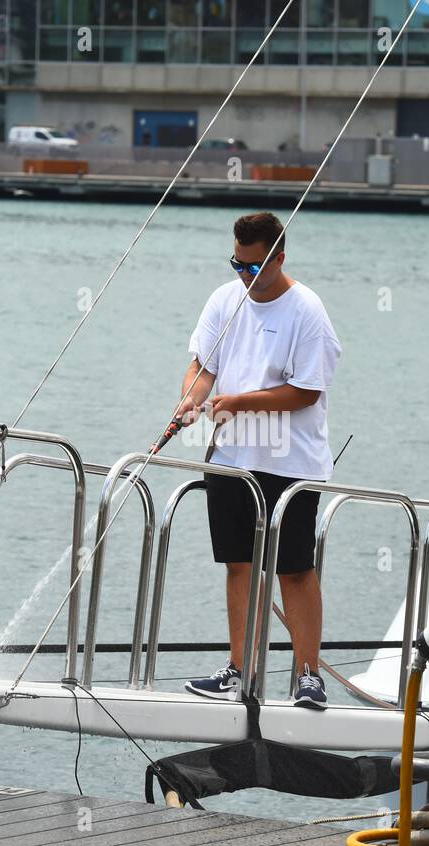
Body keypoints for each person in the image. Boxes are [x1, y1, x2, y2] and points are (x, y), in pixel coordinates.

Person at [177, 212, 342, 709]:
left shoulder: (307, 311)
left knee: (294, 569)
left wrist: (236, 403)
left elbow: (306, 393)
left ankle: (309, 676)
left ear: (279, 258)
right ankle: (237, 669)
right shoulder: (224, 299)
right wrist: (191, 398)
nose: (245, 276)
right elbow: (203, 367)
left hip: (292, 465)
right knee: (239, 565)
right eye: (237, 264)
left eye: (254, 267)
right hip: (232, 459)